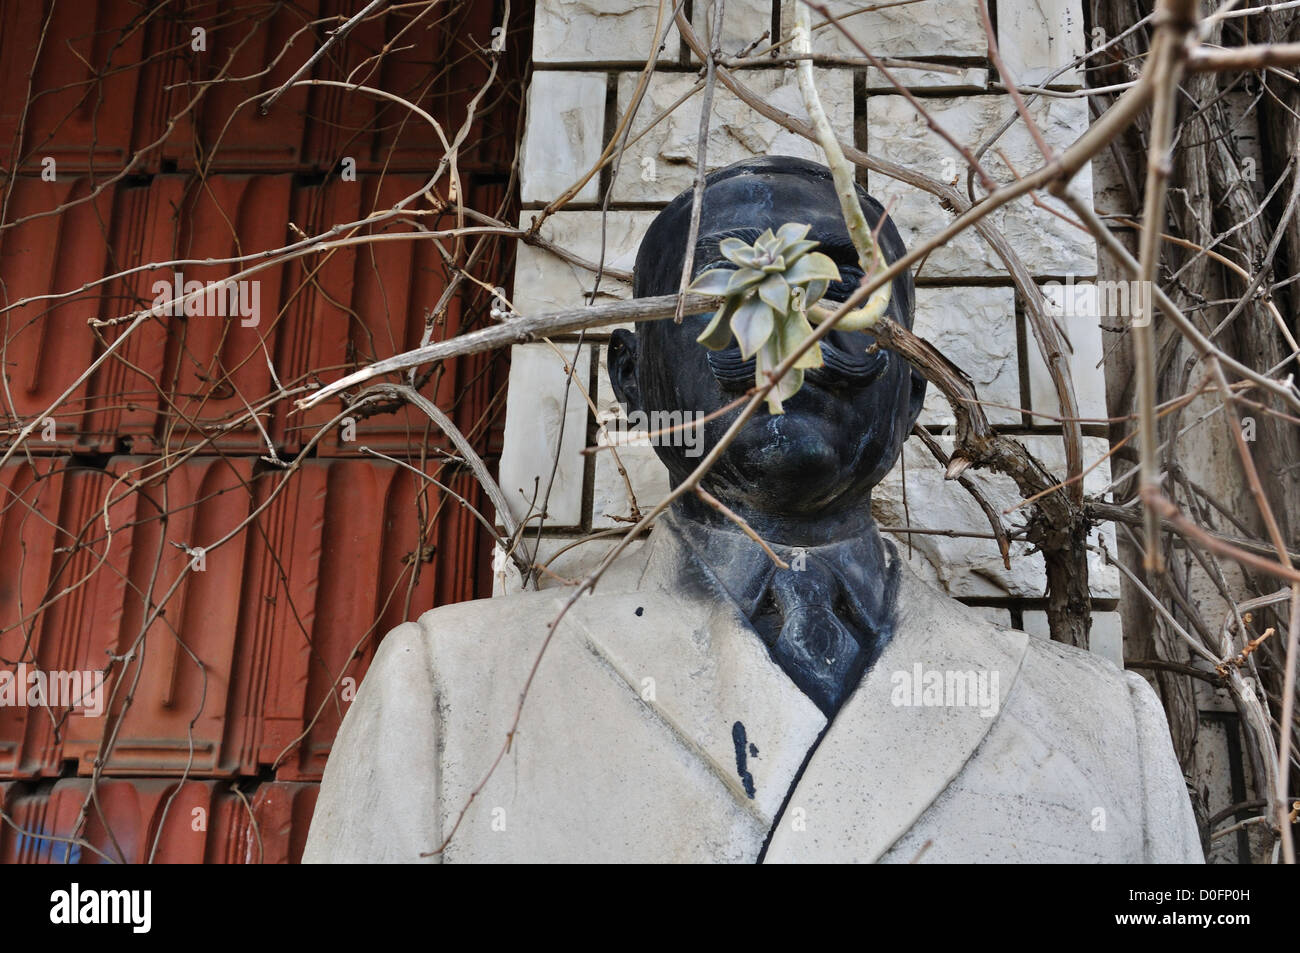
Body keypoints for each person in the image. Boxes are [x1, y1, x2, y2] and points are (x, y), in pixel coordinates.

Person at [303, 157, 1203, 863]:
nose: (789, 332)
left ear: (913, 385)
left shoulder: (1106, 732)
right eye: (723, 289)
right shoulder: (449, 695)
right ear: (630, 377)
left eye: (840, 297)